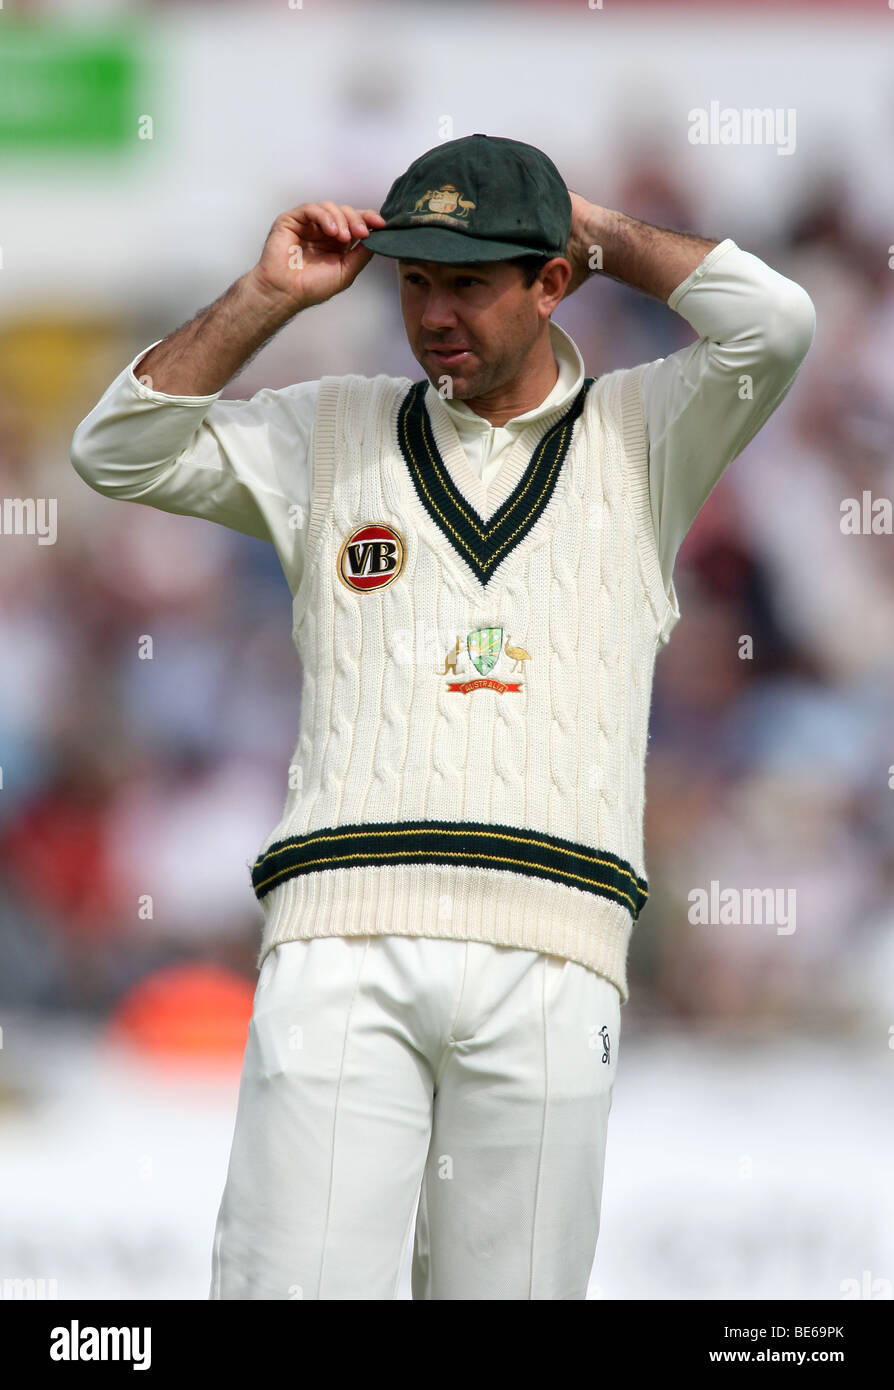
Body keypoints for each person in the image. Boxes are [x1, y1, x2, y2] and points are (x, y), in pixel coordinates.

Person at [70, 133, 816, 1300]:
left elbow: (775, 323)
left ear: (552, 279)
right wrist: (267, 295)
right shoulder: (326, 431)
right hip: (342, 941)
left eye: (469, 281)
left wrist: (606, 228)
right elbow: (117, 448)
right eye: (415, 280)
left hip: (556, 950)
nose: (434, 313)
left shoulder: (645, 435)